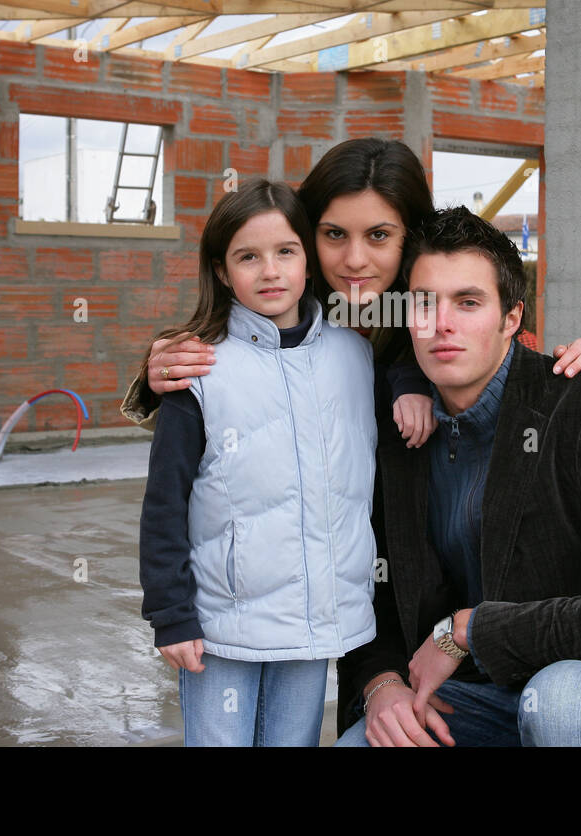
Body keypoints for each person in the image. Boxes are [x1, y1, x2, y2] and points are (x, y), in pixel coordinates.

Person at [335, 207, 581, 747]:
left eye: (468, 303)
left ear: (511, 319)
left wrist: (469, 630)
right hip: (474, 696)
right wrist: (381, 685)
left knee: (560, 705)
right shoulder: (397, 433)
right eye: (424, 303)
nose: (442, 323)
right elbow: (369, 595)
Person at [121, 138, 581, 447]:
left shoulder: (437, 318)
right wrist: (160, 378)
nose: (355, 260)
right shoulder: (274, 313)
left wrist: (571, 375)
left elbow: (514, 362)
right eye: (334, 234)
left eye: (378, 236)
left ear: (411, 237)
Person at [137, 178, 377, 746]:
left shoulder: (356, 355)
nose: (270, 271)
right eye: (248, 256)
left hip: (313, 624)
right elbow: (164, 502)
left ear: (310, 262)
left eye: (285, 252)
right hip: (221, 628)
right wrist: (171, 613)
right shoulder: (197, 368)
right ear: (222, 271)